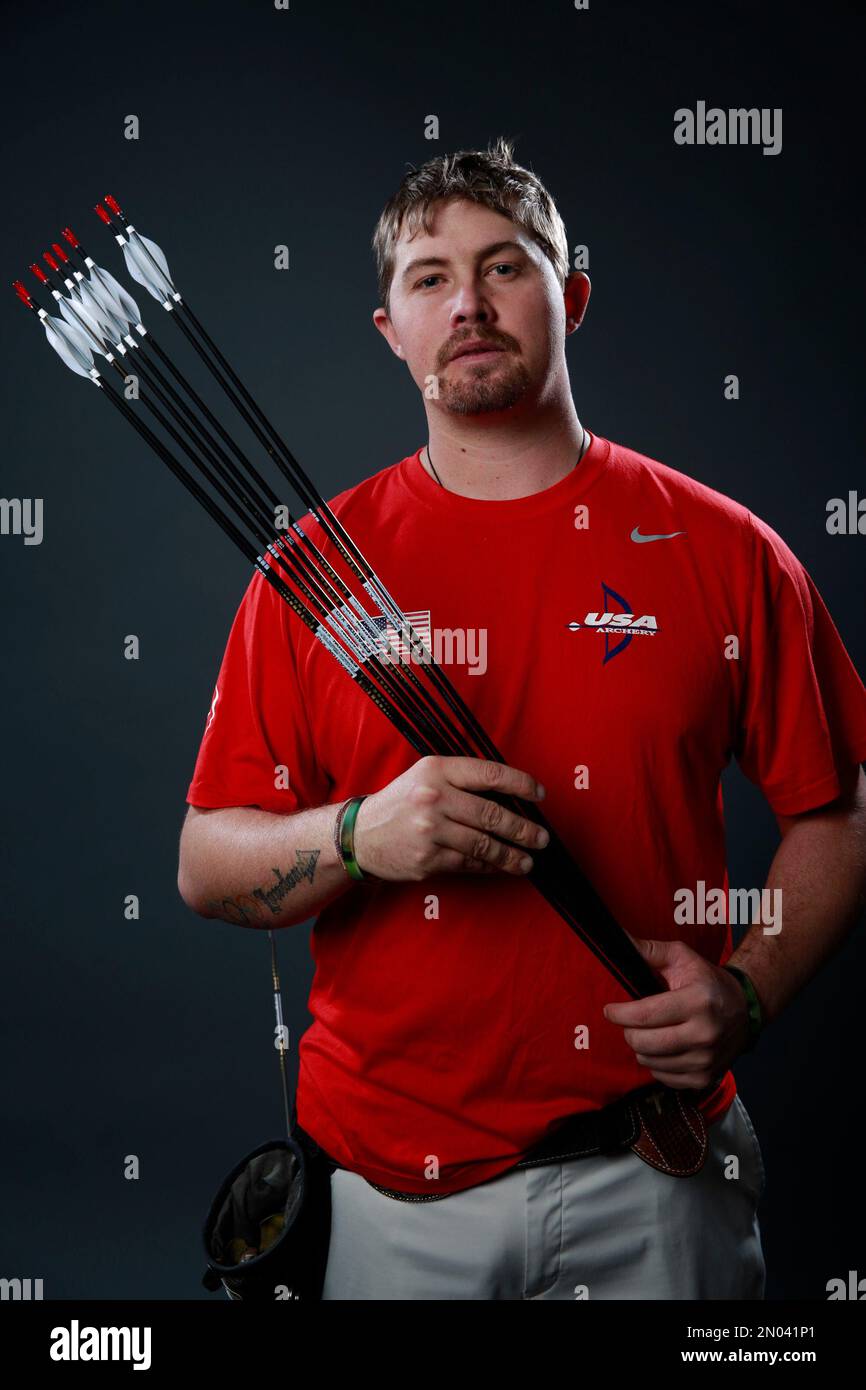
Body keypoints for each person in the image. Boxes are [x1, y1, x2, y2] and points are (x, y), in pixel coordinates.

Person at [178, 138, 866, 1300]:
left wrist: (746, 993)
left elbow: (835, 815)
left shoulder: (725, 550)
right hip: (393, 1193)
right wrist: (358, 837)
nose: (468, 304)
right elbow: (203, 863)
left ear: (572, 296)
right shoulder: (310, 574)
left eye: (504, 268)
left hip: (658, 1168)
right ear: (390, 330)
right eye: (430, 278)